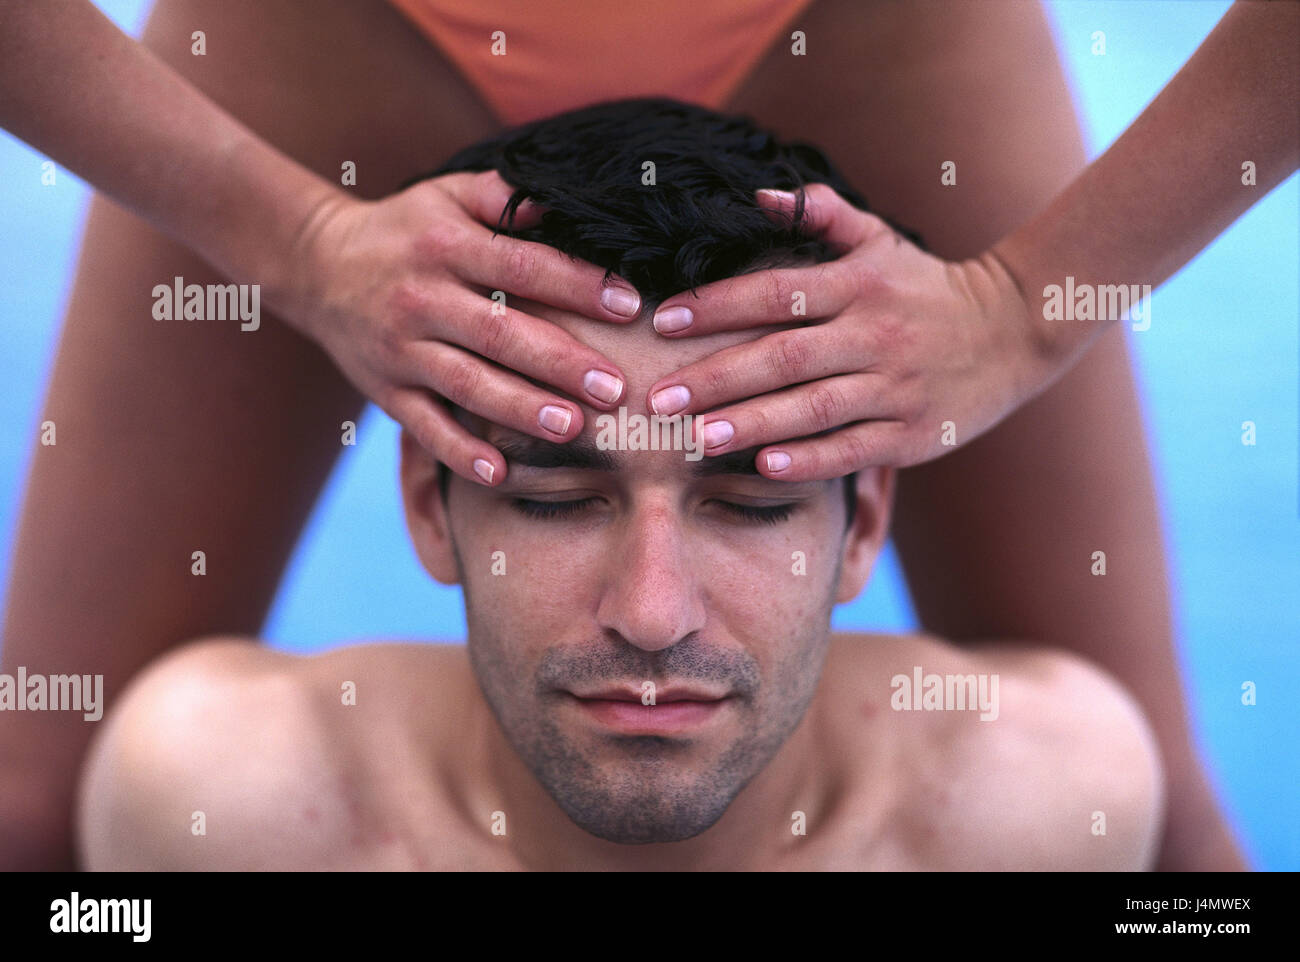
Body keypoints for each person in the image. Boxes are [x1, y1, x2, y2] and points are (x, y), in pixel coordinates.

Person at [3, 0, 1289, 869]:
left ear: (863, 523)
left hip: (866, 30)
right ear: (426, 503)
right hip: (327, 31)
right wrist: (292, 237)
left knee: (1159, 828)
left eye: (753, 496)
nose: (653, 611)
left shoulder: (1049, 782)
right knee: (36, 810)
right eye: (556, 493)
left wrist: (1021, 308)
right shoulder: (219, 786)